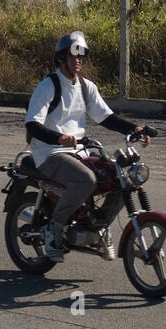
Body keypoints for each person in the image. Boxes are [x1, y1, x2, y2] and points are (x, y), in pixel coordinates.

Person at [23, 31, 149, 262]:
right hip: (49, 153)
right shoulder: (48, 86)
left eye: (82, 55)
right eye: (73, 55)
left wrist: (134, 129)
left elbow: (106, 117)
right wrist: (59, 138)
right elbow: (32, 126)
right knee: (86, 179)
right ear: (61, 58)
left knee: (123, 178)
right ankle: (54, 228)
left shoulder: (85, 86)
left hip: (78, 152)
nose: (78, 60)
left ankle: (99, 226)